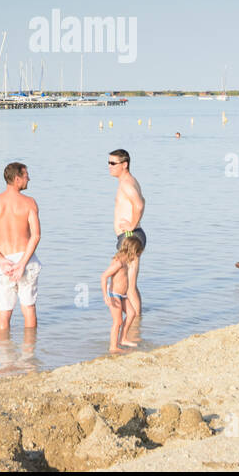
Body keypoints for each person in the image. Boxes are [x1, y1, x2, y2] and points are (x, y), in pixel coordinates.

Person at [0, 162, 42, 333]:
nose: (29, 178)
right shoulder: (29, 203)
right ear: (16, 178)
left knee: (3, 313)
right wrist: (21, 264)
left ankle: (5, 357)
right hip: (26, 260)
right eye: (26, 175)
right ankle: (29, 355)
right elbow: (35, 236)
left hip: (3, 262)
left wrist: (1, 261)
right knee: (28, 309)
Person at [108, 149, 146, 328]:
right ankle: (137, 322)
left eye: (113, 163)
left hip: (130, 236)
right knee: (130, 283)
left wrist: (131, 226)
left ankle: (135, 324)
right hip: (131, 235)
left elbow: (140, 203)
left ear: (125, 165)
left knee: (126, 284)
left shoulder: (126, 184)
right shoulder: (127, 181)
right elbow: (141, 200)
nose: (109, 167)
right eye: (108, 163)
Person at [102, 234, 144, 351]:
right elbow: (104, 276)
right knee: (118, 321)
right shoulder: (119, 262)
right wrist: (105, 295)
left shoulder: (127, 261)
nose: (138, 256)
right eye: (138, 253)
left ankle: (123, 338)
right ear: (133, 251)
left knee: (131, 313)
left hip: (123, 295)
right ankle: (113, 347)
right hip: (114, 295)